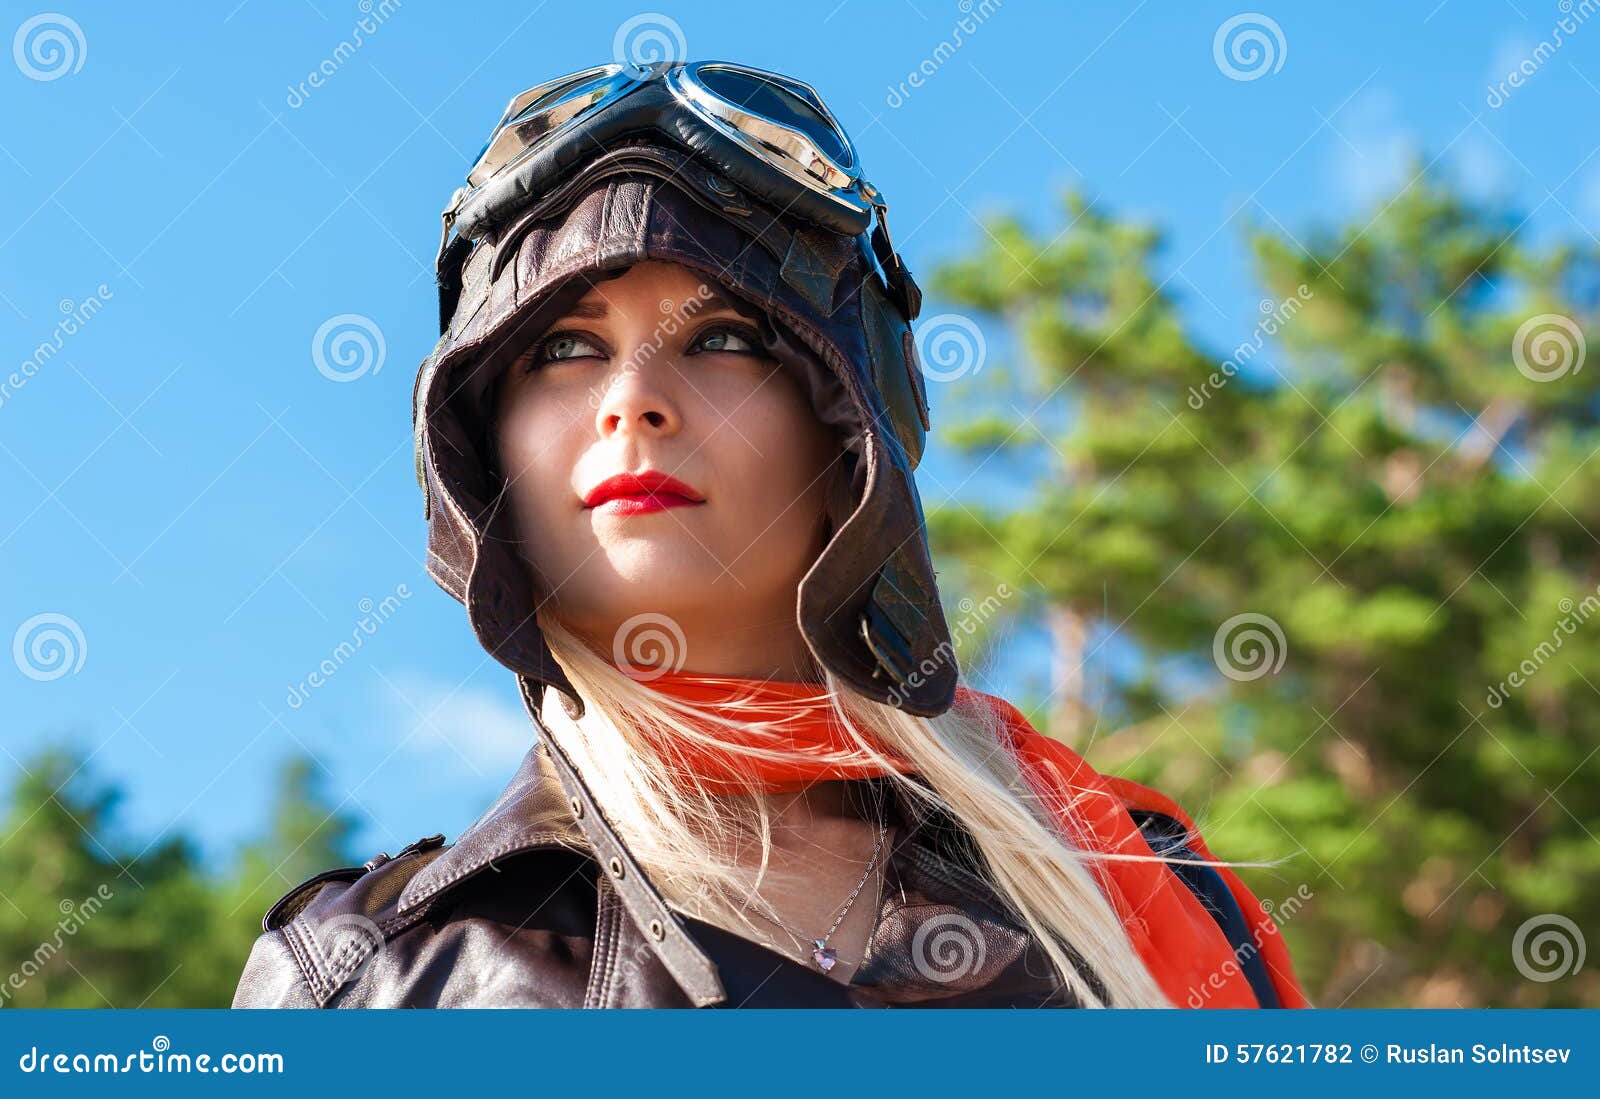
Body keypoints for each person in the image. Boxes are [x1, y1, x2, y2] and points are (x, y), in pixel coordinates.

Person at [231, 59, 1308, 1009]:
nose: (634, 402)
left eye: (727, 337)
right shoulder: (368, 983)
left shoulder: (1137, 878)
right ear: (481, 449)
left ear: (850, 423)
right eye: (561, 348)